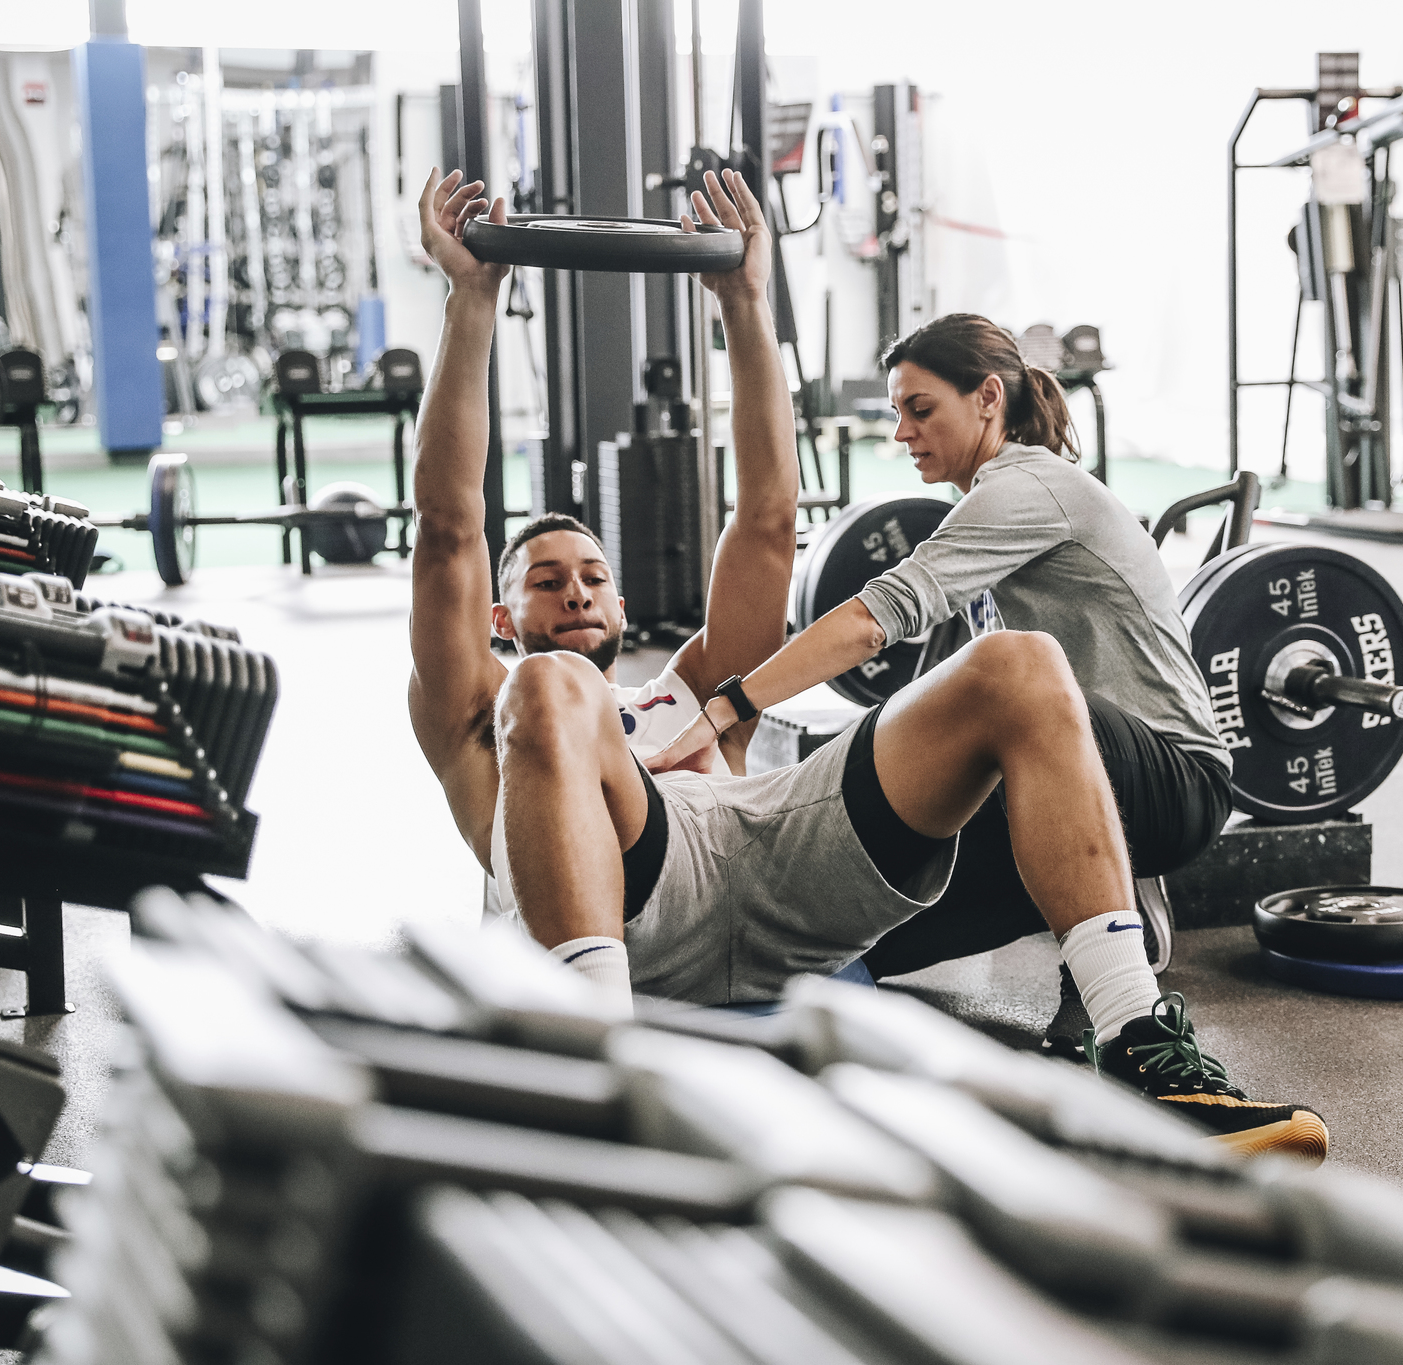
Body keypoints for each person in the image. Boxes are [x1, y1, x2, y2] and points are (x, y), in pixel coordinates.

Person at [405, 168, 1325, 1162]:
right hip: (643, 898)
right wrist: (472, 302)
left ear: (624, 601)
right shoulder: (483, 709)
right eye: (547, 582)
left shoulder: (688, 686)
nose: (577, 591)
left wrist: (746, 301)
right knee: (557, 688)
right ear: (500, 614)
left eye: (592, 574)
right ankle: (603, 1064)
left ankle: (1139, 1044)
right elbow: (449, 530)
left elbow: (765, 524)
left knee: (1016, 664)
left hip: (774, 866)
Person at [651, 315, 1242, 1066]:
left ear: (988, 397)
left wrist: (729, 706)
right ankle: (1106, 898)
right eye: (897, 411)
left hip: (1170, 779)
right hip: (1076, 765)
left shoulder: (1028, 486)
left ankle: (1122, 981)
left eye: (919, 408)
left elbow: (879, 618)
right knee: (854, 927)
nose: (902, 432)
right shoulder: (994, 498)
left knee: (1004, 673)